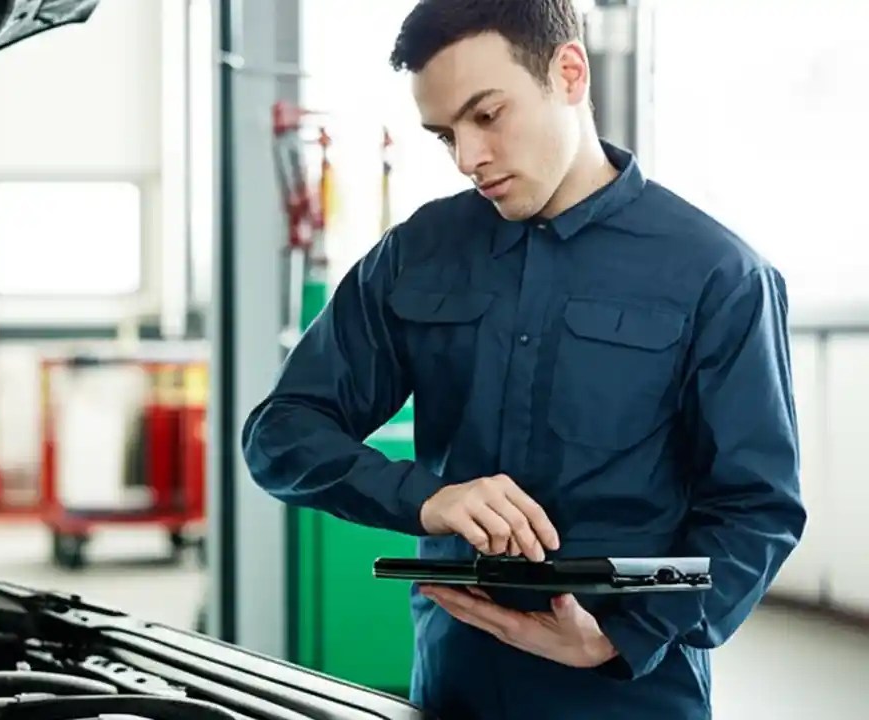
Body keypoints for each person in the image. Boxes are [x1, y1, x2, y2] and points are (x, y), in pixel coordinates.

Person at [239, 1, 806, 718]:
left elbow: (757, 509)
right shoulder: (418, 254)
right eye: (445, 135)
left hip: (628, 693)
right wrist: (428, 497)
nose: (469, 157)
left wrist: (619, 636)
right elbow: (280, 431)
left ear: (568, 73)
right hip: (455, 681)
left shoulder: (719, 274)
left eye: (487, 115)